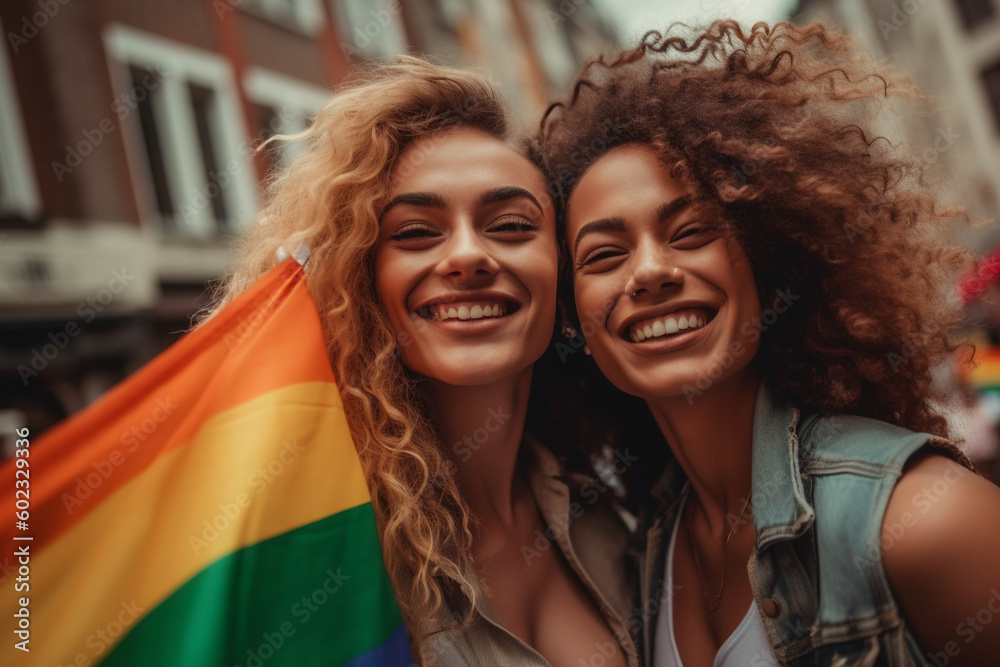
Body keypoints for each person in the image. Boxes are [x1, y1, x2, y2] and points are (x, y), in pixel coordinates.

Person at [531, 21, 1000, 667]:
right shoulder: (641, 556)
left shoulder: (921, 518)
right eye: (605, 253)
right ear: (572, 319)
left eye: (691, 230)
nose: (649, 271)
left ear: (766, 260)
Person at [200, 58, 639, 666]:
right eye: (414, 233)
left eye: (510, 225)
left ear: (563, 273)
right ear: (358, 281)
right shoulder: (319, 551)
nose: (467, 255)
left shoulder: (611, 516)